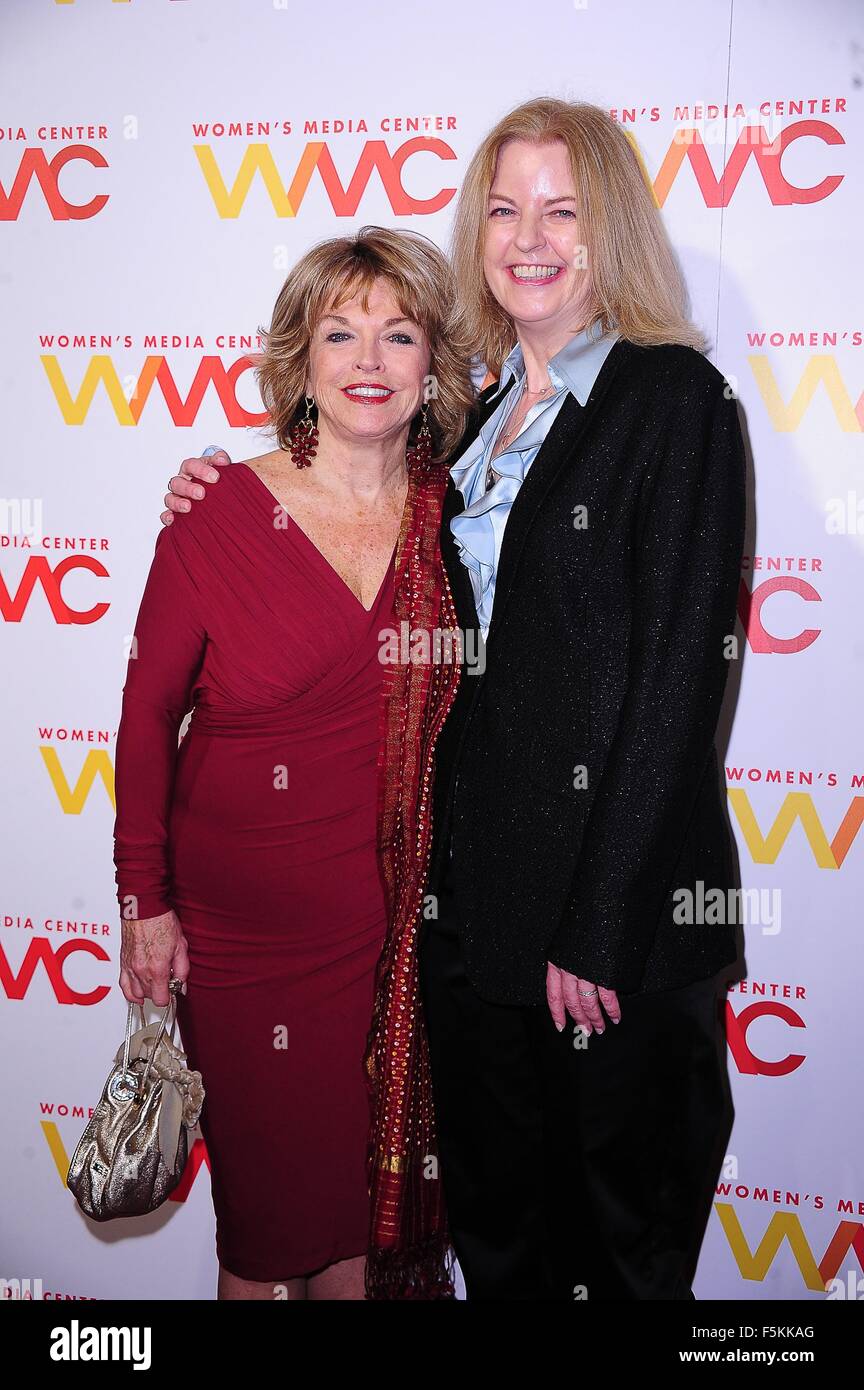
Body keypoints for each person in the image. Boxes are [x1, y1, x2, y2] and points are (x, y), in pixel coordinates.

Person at [165, 97, 747, 1301]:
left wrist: (599, 925)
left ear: (613, 231)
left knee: (621, 1265)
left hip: (612, 938)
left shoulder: (670, 401)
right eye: (502, 208)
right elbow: (346, 502)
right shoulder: (472, 425)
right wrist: (216, 488)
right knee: (506, 1255)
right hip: (476, 937)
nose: (528, 236)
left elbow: (681, 686)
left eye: (563, 210)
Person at [114, 227, 471, 1300]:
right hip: (245, 944)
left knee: (364, 1235)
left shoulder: (462, 518)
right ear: (300, 358)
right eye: (341, 331)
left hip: (394, 939)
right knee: (265, 1245)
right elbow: (144, 719)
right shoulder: (218, 512)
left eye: (399, 333)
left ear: (432, 364)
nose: (369, 359)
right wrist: (145, 902)